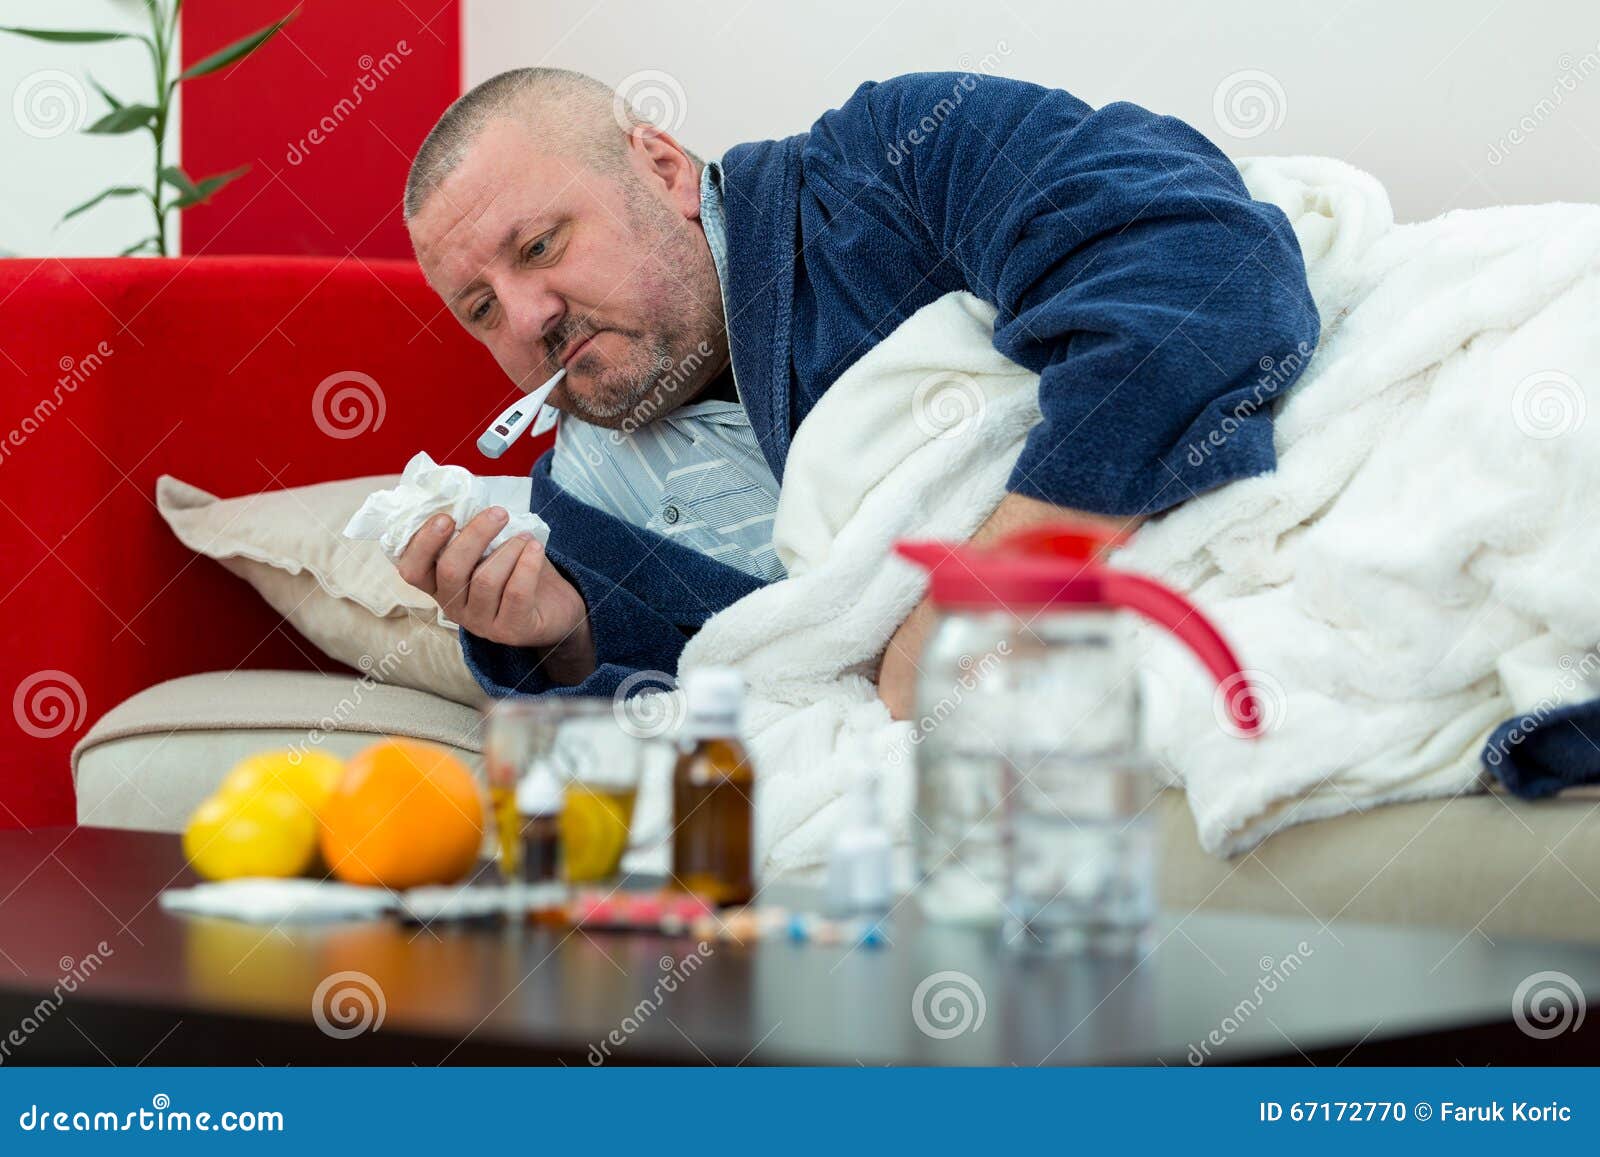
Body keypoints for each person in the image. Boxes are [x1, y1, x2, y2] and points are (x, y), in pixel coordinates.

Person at [397, 67, 1319, 719]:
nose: (528, 318)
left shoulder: (897, 161)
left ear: (663, 169)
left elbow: (1203, 271)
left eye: (540, 247)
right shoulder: (583, 511)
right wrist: (567, 645)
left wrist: (968, 612)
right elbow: (708, 729)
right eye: (480, 307)